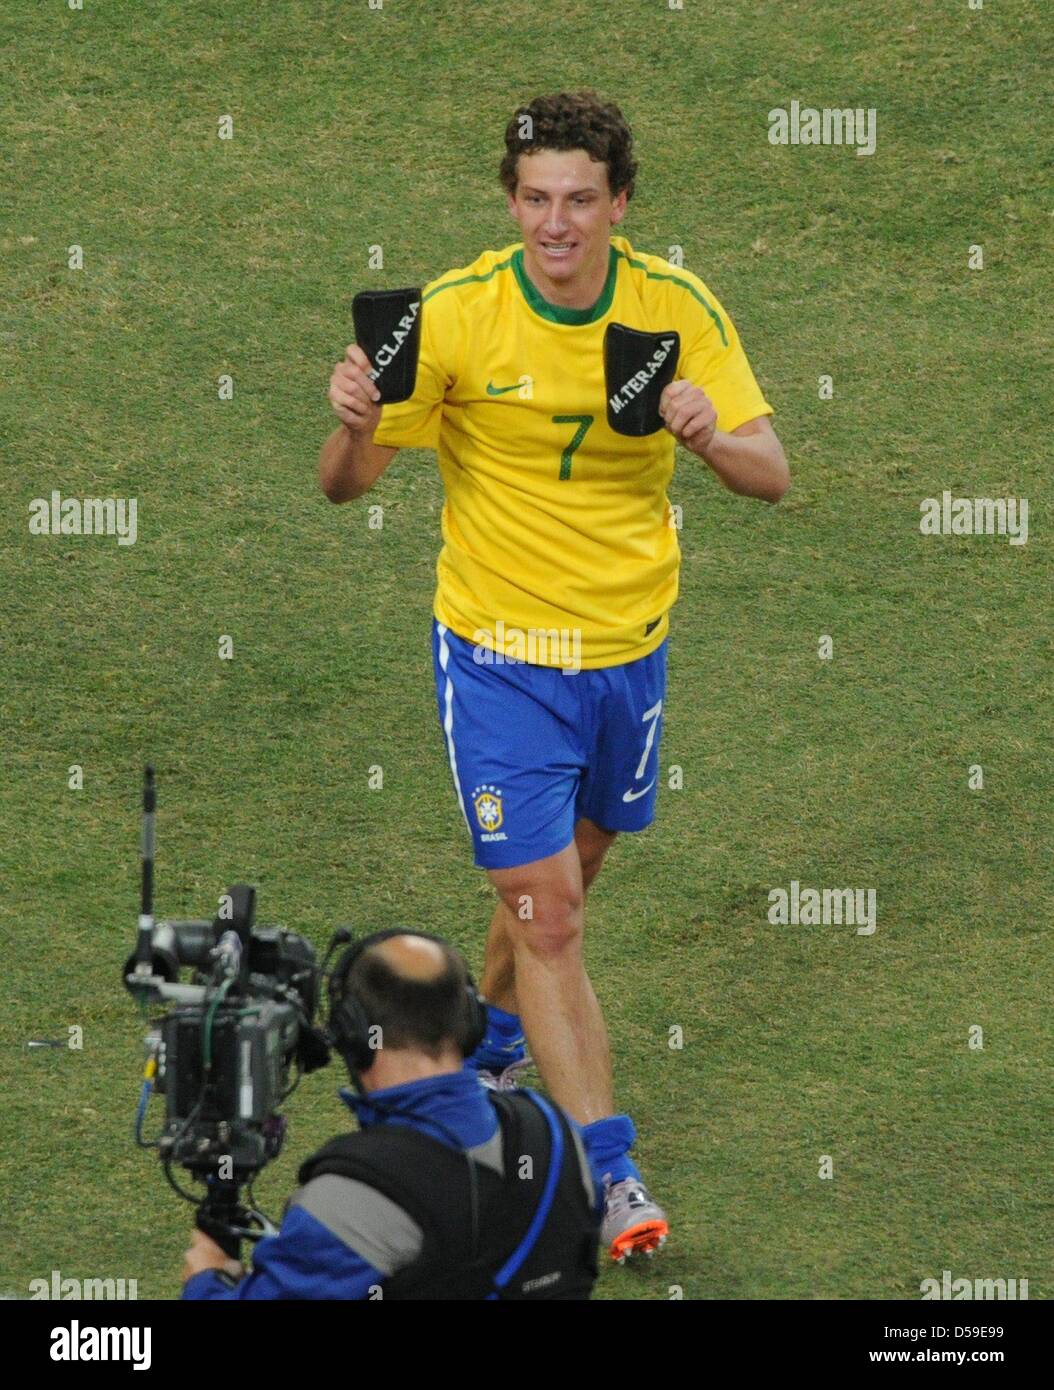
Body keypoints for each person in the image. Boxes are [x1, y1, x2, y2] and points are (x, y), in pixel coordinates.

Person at [319, 91, 790, 1263]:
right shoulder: (454, 315)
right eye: (535, 199)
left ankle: (482, 1042)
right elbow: (347, 482)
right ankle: (608, 1175)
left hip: (626, 656)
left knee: (555, 889)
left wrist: (704, 432)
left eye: (580, 199)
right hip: (496, 658)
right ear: (511, 201)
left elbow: (769, 473)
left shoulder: (673, 310)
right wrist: (352, 421)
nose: (556, 223)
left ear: (619, 203)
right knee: (555, 917)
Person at [182, 931, 600, 1299]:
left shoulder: (353, 1200)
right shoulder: (559, 1135)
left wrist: (207, 1278)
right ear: (471, 1023)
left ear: (353, 1035)